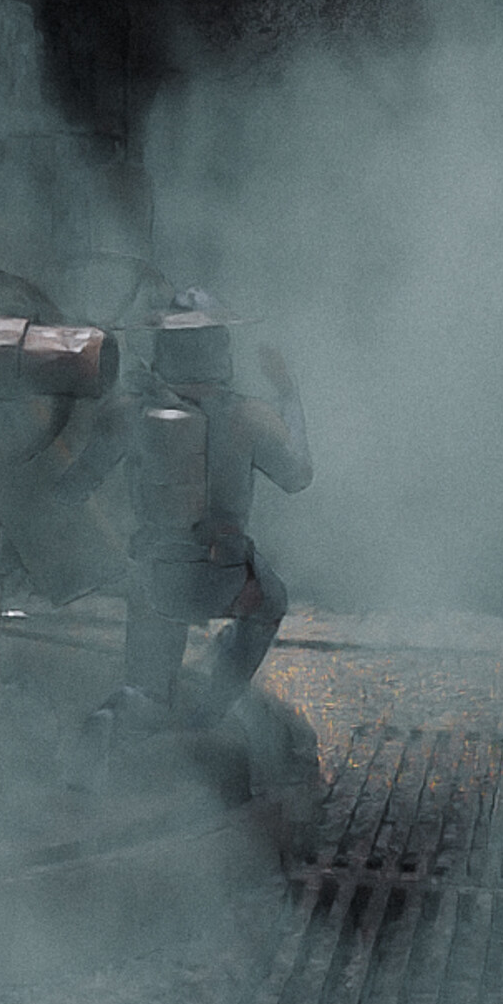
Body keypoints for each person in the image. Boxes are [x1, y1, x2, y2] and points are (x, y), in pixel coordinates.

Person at [53, 287, 310, 727]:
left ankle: (111, 722)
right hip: (227, 577)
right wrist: (288, 394)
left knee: (145, 693)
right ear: (220, 347)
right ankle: (213, 707)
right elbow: (297, 476)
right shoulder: (249, 417)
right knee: (270, 600)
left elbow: (72, 490)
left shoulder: (129, 411)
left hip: (157, 572)